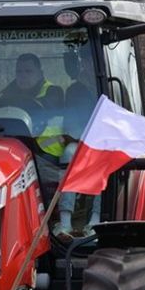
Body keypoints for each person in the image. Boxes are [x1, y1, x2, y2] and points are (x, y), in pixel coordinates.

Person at [54, 51, 101, 242]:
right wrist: (77, 138)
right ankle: (65, 222)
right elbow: (72, 121)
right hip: (81, 141)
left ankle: (96, 220)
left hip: (105, 143)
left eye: (90, 63)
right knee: (70, 153)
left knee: (104, 160)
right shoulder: (76, 90)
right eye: (85, 63)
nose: (86, 68)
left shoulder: (110, 87)